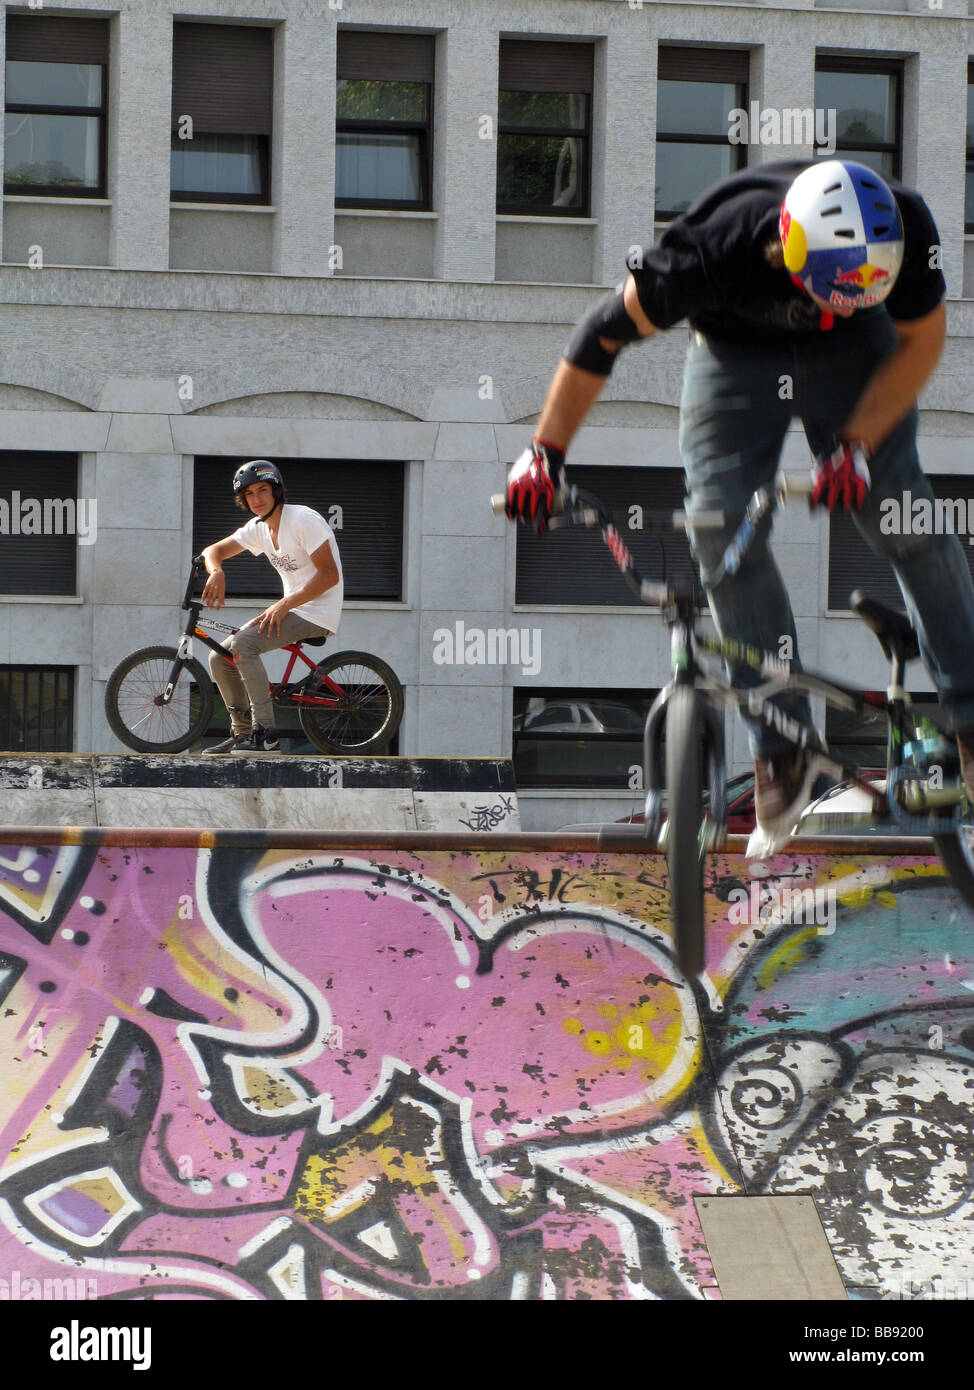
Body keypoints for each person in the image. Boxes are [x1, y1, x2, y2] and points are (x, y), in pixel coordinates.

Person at [504, 158, 974, 847]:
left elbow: (922, 338)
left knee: (898, 513)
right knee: (719, 527)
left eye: (855, 292)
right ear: (788, 248)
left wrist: (857, 445)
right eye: (828, 292)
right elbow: (599, 335)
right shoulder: (706, 250)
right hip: (734, 355)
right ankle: (781, 746)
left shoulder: (904, 226)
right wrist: (545, 453)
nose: (833, 307)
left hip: (857, 356)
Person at [200, 460, 343, 754]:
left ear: (276, 490)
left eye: (263, 490)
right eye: (249, 494)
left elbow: (329, 576)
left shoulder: (303, 520)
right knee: (219, 657)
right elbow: (212, 550)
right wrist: (216, 571)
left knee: (243, 645)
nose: (257, 499)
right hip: (292, 608)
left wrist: (284, 604)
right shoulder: (259, 528)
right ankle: (242, 734)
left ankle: (265, 734)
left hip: (317, 611)